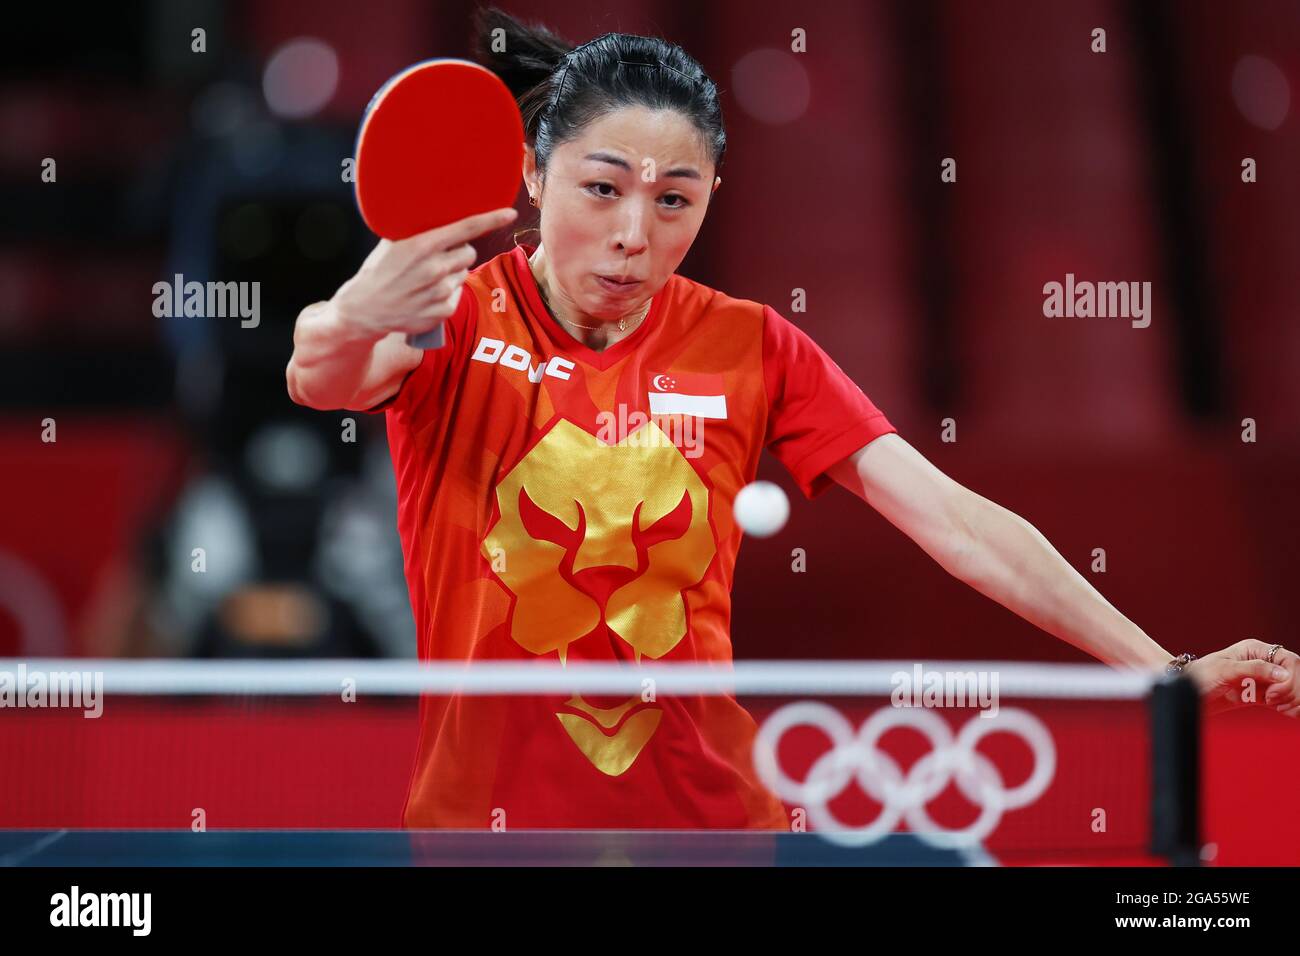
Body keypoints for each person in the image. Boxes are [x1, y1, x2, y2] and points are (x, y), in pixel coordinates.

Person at [286, 9, 1297, 828]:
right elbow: (323, 376)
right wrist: (346, 314)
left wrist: (1160, 671)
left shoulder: (751, 343)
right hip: (482, 833)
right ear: (532, 175)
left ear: (711, 198)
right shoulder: (457, 315)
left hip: (710, 831)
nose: (635, 233)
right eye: (601, 188)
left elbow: (955, 522)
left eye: (675, 200)